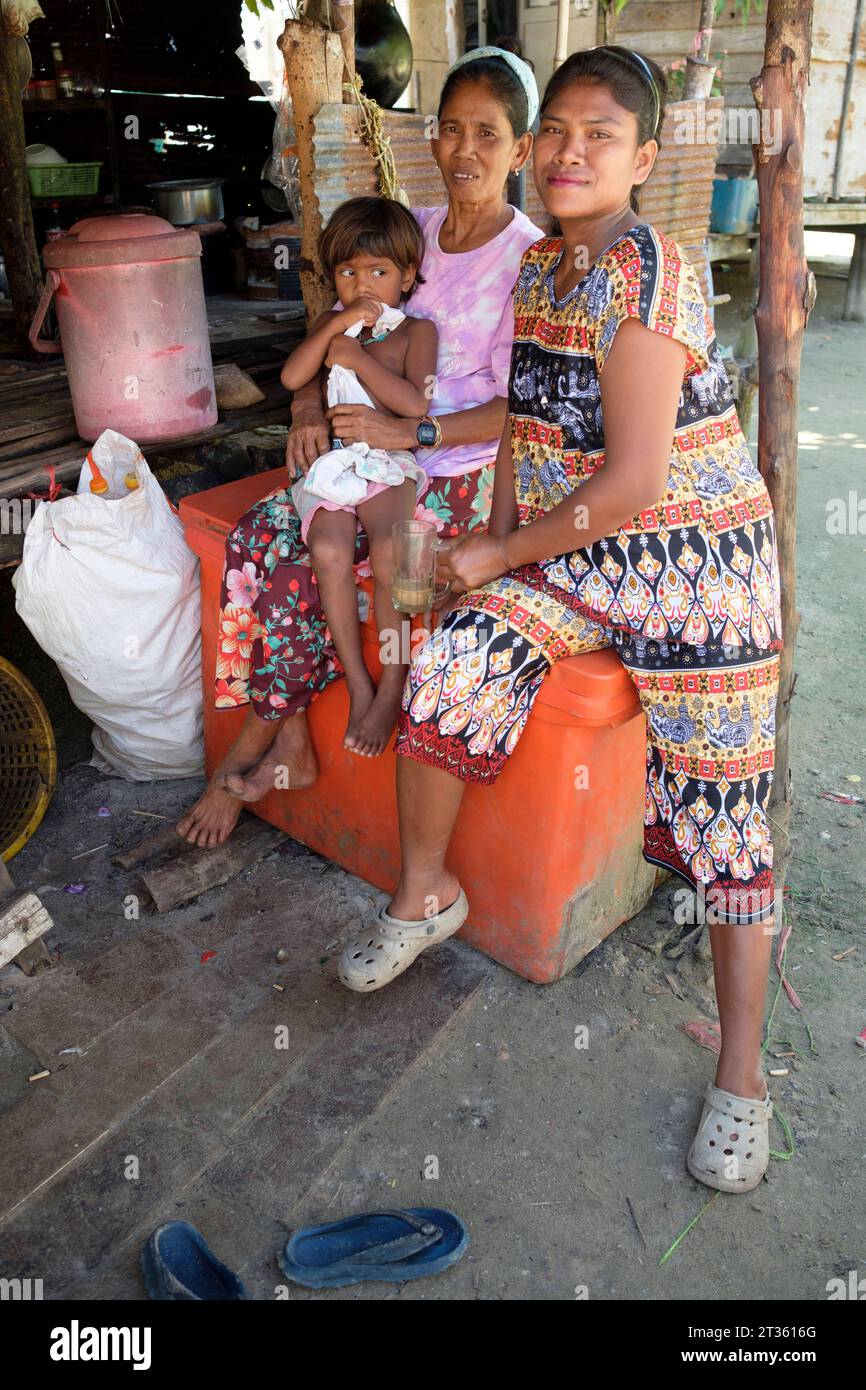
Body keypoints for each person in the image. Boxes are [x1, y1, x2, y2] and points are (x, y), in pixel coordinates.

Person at [338, 46, 784, 1197]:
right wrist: (477, 560)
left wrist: (494, 550)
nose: (568, 151)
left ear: (640, 158)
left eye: (599, 135)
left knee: (724, 812)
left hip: (694, 564)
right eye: (557, 132)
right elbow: (526, 442)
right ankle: (425, 894)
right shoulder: (542, 272)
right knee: (450, 661)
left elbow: (635, 479)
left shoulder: (650, 272)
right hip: (570, 550)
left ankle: (741, 1074)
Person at [177, 46, 544, 847]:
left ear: (521, 150)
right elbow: (332, 326)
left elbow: (523, 409)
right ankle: (294, 734)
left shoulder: (530, 262)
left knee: (386, 559)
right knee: (261, 541)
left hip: (451, 471)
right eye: (451, 129)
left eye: (488, 133)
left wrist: (409, 431)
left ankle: (258, 747)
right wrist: (307, 402)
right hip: (359, 456)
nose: (465, 150)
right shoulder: (407, 229)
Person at [281, 197, 436, 756]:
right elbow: (293, 375)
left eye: (378, 271)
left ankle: (394, 679)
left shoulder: (416, 332)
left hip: (388, 463)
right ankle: (357, 678)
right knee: (327, 550)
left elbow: (417, 406)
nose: (362, 284)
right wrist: (338, 329)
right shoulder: (333, 322)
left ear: (408, 275)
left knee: (394, 554)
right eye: (348, 272)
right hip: (331, 466)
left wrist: (357, 360)